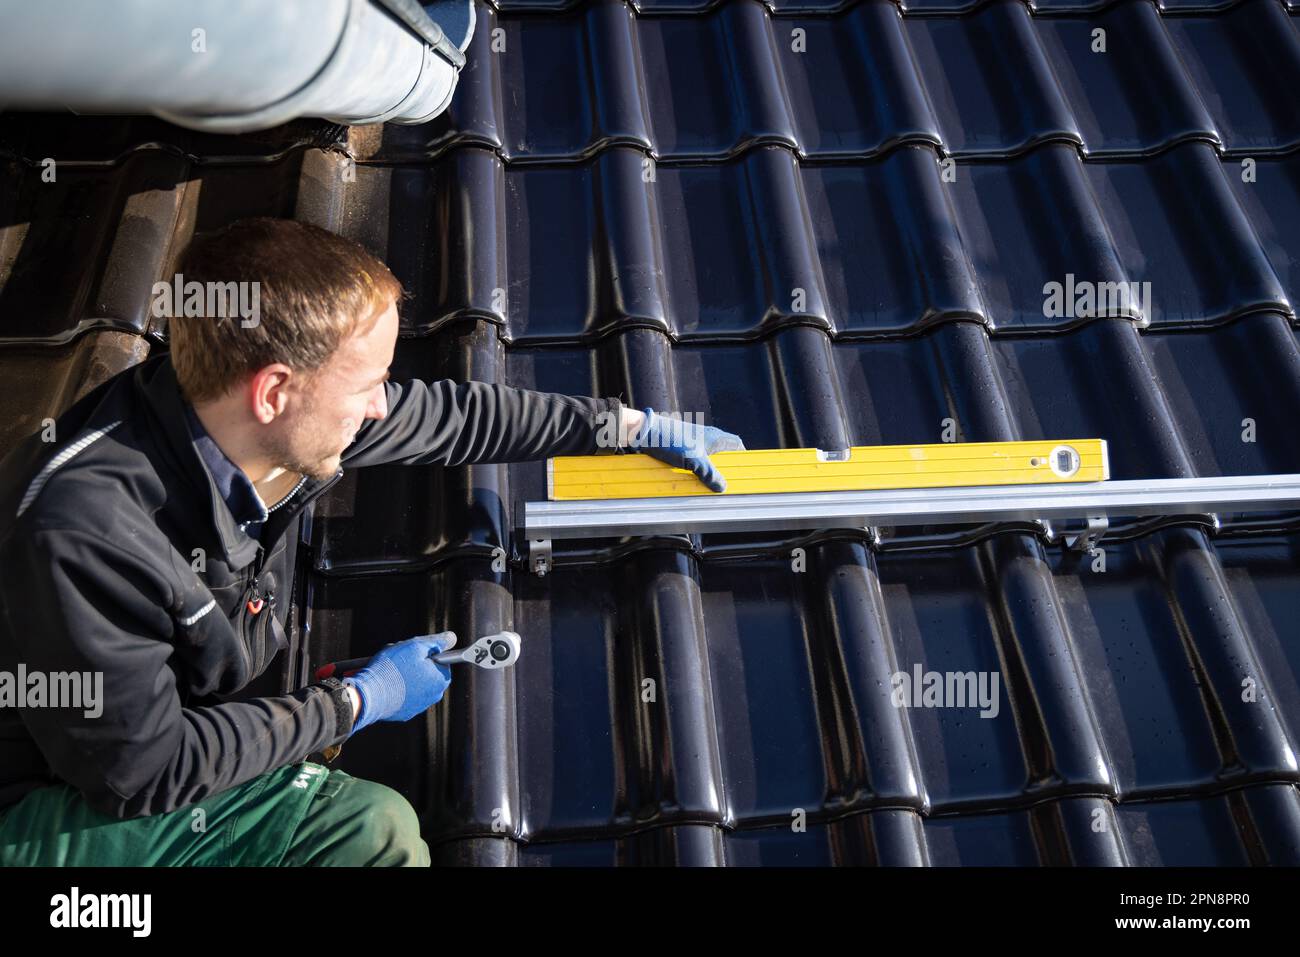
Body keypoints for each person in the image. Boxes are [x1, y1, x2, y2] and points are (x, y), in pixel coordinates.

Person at [0, 217, 744, 866]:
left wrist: (630, 428)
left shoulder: (251, 415)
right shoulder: (86, 533)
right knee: (371, 832)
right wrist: (355, 701)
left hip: (139, 737)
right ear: (274, 390)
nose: (381, 402)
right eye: (368, 384)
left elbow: (455, 419)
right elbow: (147, 770)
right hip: (48, 803)